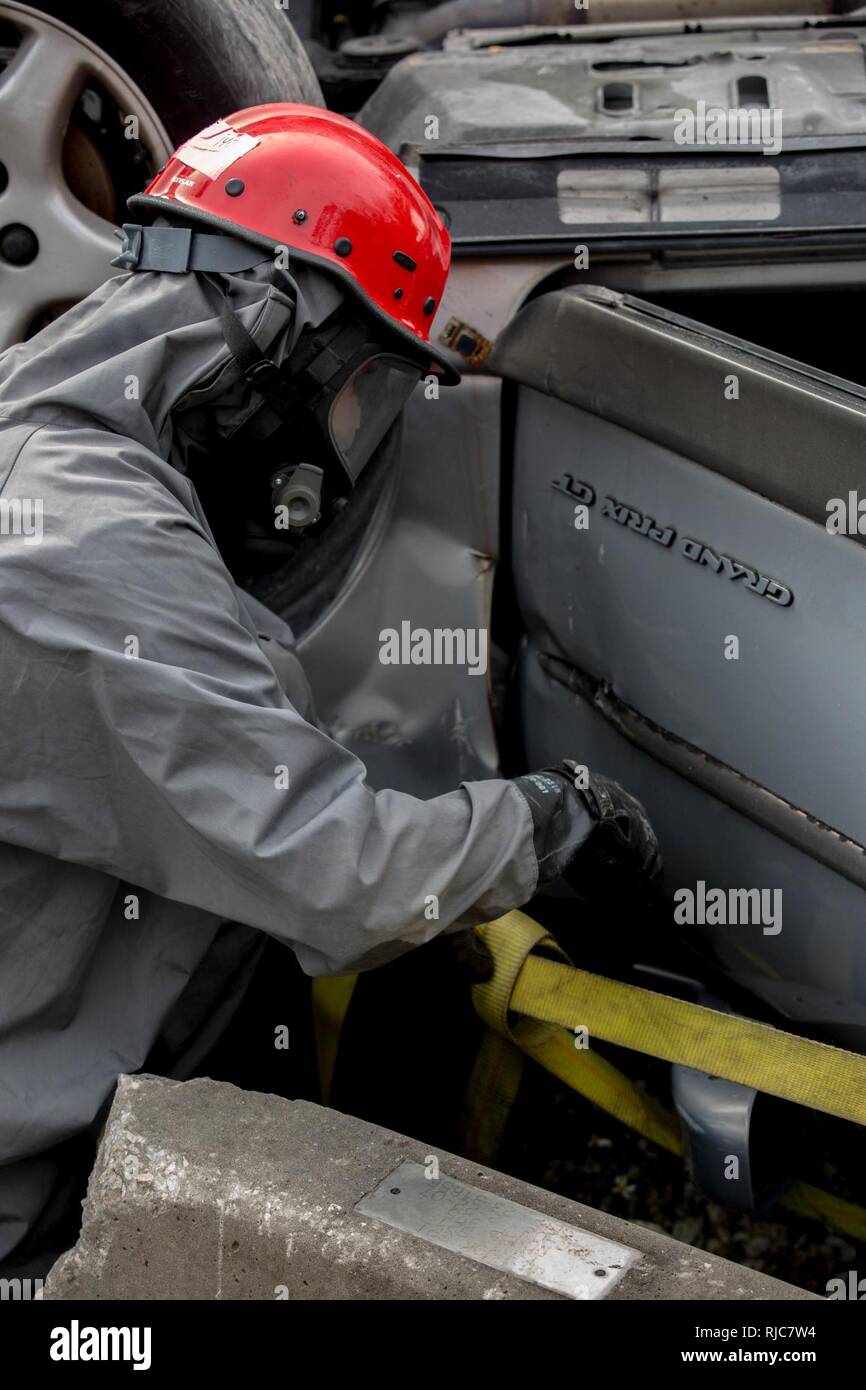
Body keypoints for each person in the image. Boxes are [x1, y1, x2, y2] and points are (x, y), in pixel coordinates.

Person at [0, 103, 660, 1272]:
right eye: (360, 392)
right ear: (270, 333)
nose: (346, 444)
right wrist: (545, 824)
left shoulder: (54, 444)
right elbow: (329, 868)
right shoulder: (79, 551)